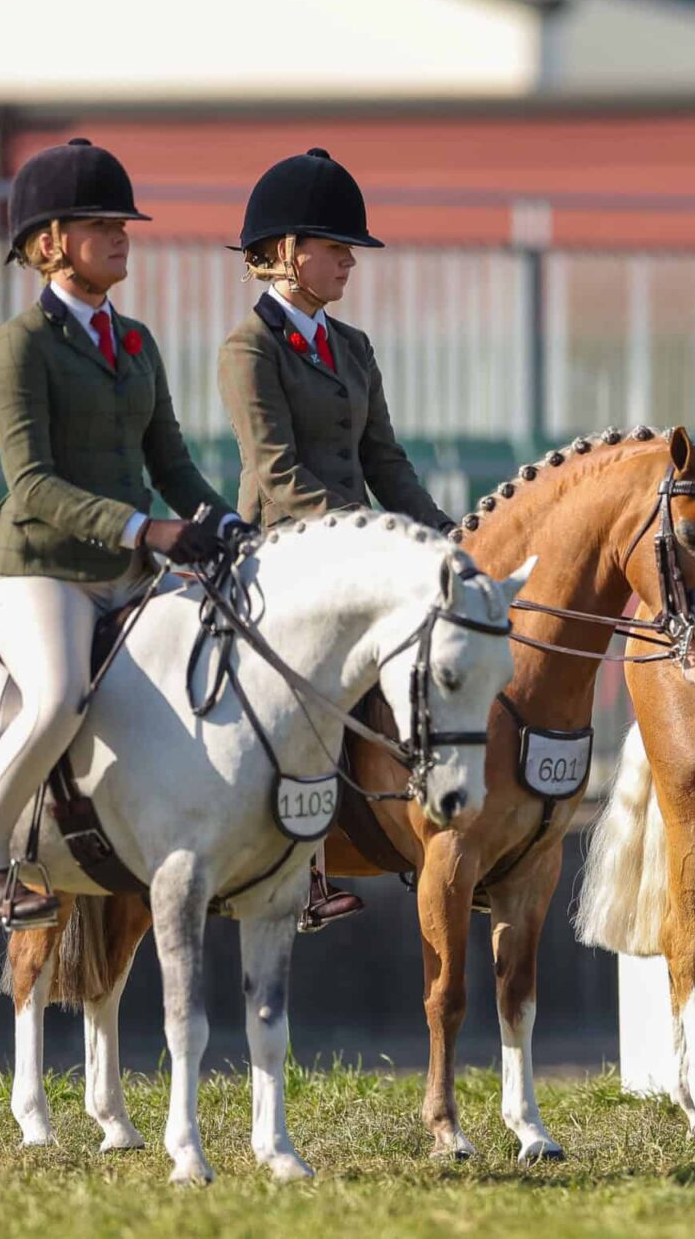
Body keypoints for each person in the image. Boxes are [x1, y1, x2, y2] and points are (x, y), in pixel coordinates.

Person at [0, 138, 241, 929]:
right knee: (55, 700)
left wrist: (225, 521)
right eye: (102, 225)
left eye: (125, 224)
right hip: (42, 570)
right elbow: (33, 484)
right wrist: (145, 529)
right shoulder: (21, 345)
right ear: (49, 245)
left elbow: (172, 462)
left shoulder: (137, 341)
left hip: (131, 563)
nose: (123, 236)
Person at [218, 147, 454, 928]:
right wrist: (372, 540)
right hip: (283, 550)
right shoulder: (247, 350)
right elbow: (278, 471)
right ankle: (300, 863)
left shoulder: (352, 347)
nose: (349, 260)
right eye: (334, 246)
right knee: (308, 684)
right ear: (286, 255)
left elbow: (385, 459)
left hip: (363, 550)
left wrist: (446, 535)